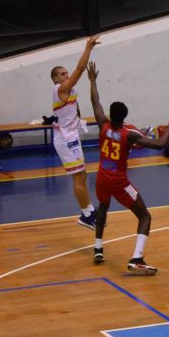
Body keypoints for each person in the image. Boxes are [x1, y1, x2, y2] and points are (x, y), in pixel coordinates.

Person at [87, 63, 169, 274]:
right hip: (118, 181)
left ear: (111, 114)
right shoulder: (130, 134)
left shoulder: (103, 124)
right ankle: (137, 258)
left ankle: (98, 248)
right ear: (126, 116)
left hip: (101, 176)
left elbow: (95, 101)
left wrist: (92, 81)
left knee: (102, 207)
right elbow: (159, 145)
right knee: (145, 216)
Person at [50, 35, 100, 229]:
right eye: (62, 73)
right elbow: (80, 68)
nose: (67, 75)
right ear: (55, 79)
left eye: (66, 73)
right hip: (65, 139)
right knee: (78, 177)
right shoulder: (60, 89)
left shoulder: (68, 90)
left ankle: (89, 210)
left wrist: (78, 120)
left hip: (71, 136)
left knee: (83, 175)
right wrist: (88, 47)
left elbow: (74, 108)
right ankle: (86, 215)